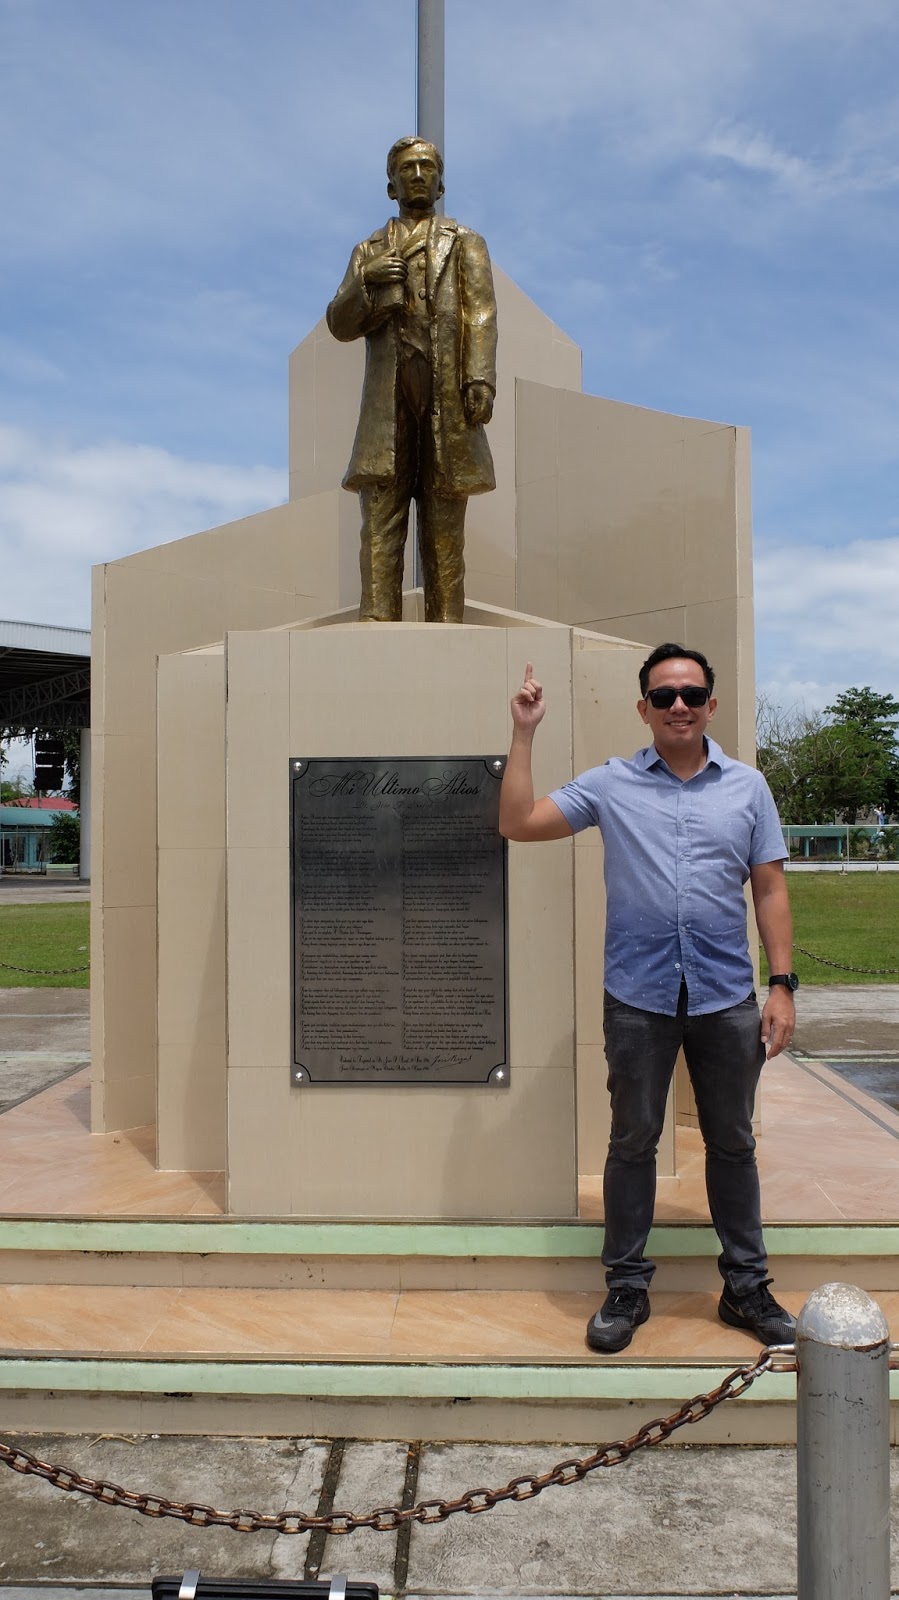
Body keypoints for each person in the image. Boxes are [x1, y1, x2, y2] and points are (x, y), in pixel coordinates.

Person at [499, 644, 799, 1353]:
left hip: (725, 996)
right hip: (637, 996)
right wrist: (523, 734)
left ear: (709, 705)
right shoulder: (611, 784)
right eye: (663, 696)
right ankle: (627, 1286)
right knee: (632, 1142)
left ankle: (745, 1288)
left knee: (732, 1143)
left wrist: (782, 984)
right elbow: (517, 823)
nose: (678, 706)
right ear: (643, 709)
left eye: (691, 693)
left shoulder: (747, 788)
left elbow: (769, 887)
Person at [327, 136, 497, 624]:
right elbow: (339, 323)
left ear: (441, 182)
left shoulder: (464, 241)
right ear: (390, 185)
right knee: (380, 513)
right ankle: (377, 619)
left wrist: (479, 378)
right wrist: (369, 281)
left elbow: (481, 312)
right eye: (407, 168)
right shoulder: (368, 251)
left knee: (445, 518)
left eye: (427, 167)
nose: (418, 174)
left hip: (447, 396)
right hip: (390, 400)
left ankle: (447, 625)